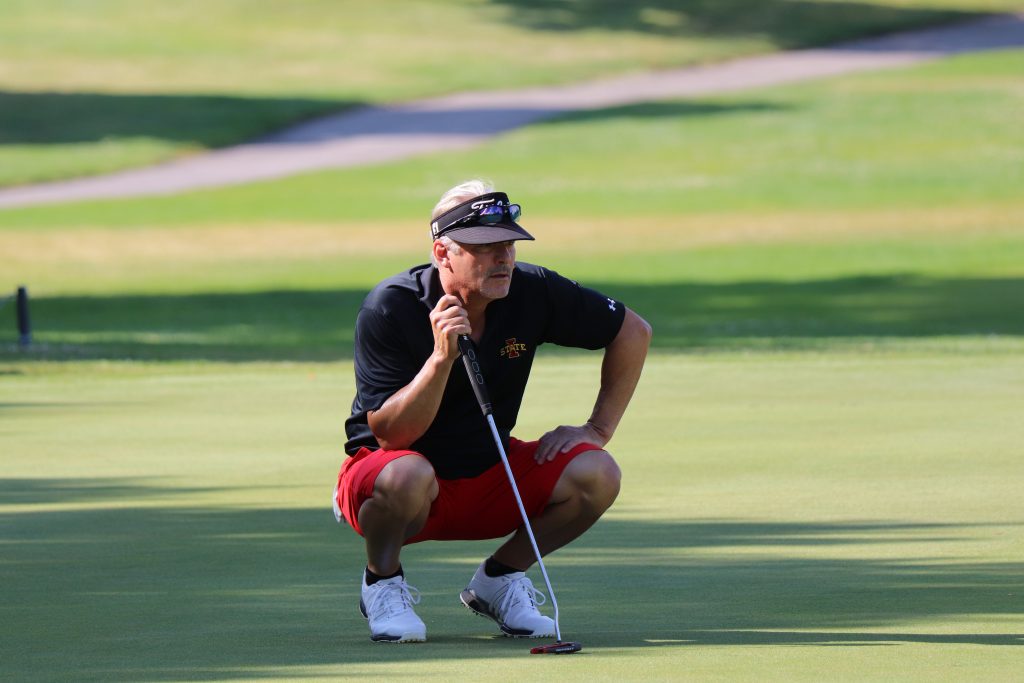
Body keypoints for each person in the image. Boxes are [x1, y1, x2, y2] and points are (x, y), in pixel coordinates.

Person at [333, 179, 652, 643]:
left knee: (597, 473)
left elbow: (632, 332)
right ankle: (382, 582)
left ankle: (499, 581)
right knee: (408, 473)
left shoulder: (532, 290)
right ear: (443, 253)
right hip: (394, 483)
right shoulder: (392, 306)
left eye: (508, 244)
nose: (503, 258)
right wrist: (441, 358)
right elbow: (391, 437)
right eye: (484, 248)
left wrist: (597, 428)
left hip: (489, 471)